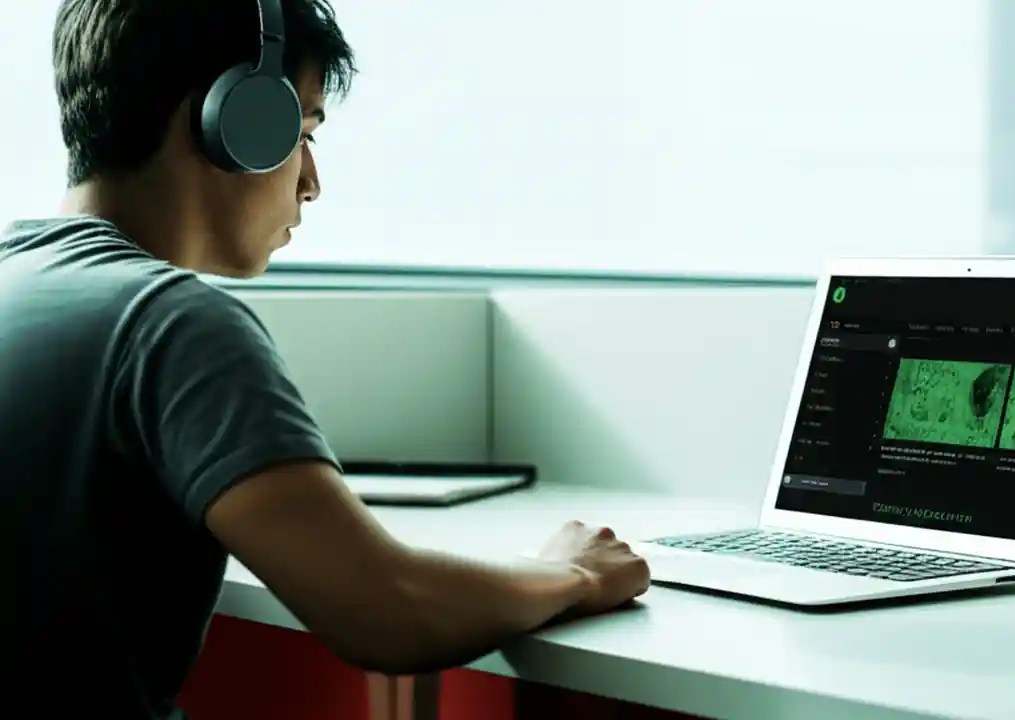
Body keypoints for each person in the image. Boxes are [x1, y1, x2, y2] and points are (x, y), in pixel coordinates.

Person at [0, 1, 649, 717]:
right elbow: (388, 610)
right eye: (301, 133)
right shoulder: (171, 324)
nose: (311, 182)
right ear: (235, 121)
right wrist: (573, 573)